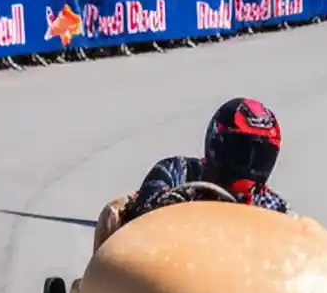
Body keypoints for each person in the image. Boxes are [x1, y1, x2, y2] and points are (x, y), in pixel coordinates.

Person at [90, 97, 289, 252]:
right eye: (241, 154)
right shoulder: (178, 171)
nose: (249, 167)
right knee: (112, 214)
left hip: (241, 290)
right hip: (163, 279)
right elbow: (141, 215)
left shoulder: (274, 207)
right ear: (216, 145)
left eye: (260, 158)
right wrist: (172, 205)